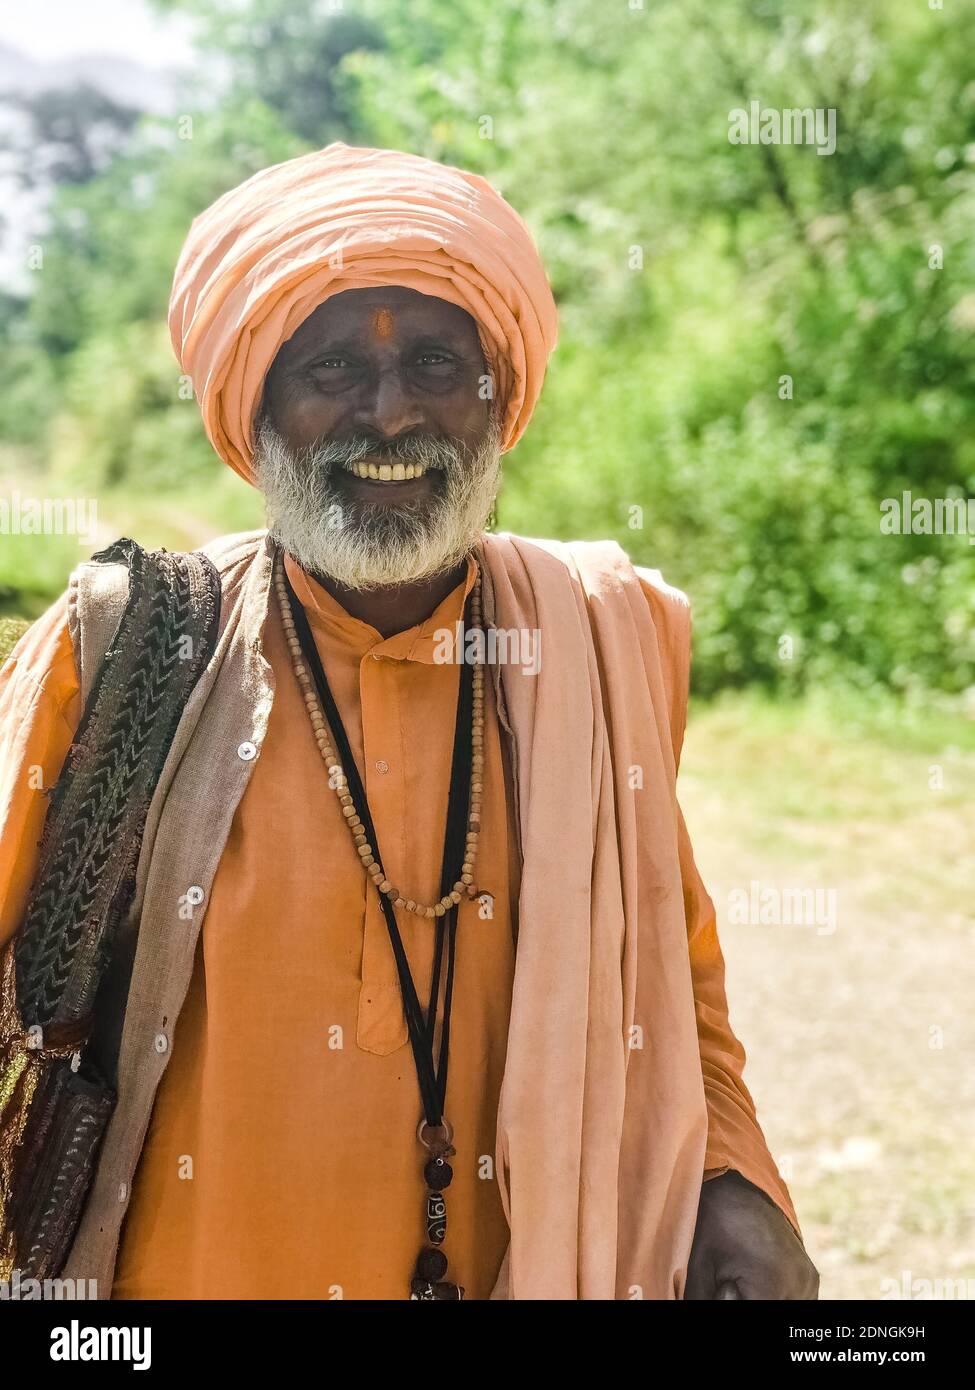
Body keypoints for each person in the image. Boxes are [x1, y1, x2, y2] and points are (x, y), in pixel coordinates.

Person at [0, 143, 817, 1301]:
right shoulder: (123, 647)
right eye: (330, 368)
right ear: (258, 405)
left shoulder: (597, 639)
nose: (389, 415)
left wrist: (734, 1179)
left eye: (436, 361)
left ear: (498, 395)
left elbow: (675, 989)